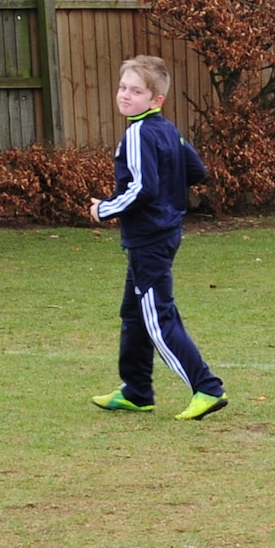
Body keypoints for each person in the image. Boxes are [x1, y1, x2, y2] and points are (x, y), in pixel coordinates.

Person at [86, 54, 228, 421]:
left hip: (150, 237)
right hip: (163, 233)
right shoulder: (167, 129)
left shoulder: (138, 133)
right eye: (122, 88)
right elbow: (196, 169)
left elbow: (143, 189)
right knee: (133, 315)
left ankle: (207, 387)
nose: (125, 96)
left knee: (157, 317)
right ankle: (136, 391)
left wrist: (105, 208)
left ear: (155, 100)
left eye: (136, 91)